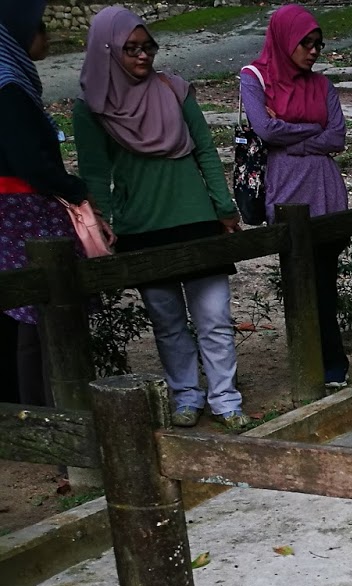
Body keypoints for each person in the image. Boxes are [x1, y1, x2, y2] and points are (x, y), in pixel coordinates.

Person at [75, 6, 246, 429]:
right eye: (130, 48)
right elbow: (94, 172)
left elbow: (205, 149)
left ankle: (227, 400)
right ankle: (186, 397)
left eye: (147, 46)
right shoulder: (93, 108)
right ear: (107, 50)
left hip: (197, 218)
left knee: (215, 320)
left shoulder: (174, 89)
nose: (142, 56)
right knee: (169, 325)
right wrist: (103, 222)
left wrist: (223, 207)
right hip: (143, 227)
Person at [240, 4, 349, 390]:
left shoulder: (323, 86)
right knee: (298, 282)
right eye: (306, 43)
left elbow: (337, 135)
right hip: (285, 190)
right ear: (285, 41)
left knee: (324, 283)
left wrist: (294, 138)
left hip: (325, 191)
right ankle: (310, 365)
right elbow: (265, 131)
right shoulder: (254, 78)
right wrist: (310, 133)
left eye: (318, 44)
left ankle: (333, 365)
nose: (314, 51)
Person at [0, 0, 93, 406]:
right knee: (39, 315)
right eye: (40, 26)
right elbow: (28, 160)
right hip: (21, 213)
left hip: (13, 210)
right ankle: (47, 415)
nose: (48, 35)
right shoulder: (8, 88)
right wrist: (73, 188)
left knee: (23, 313)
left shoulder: (13, 80)